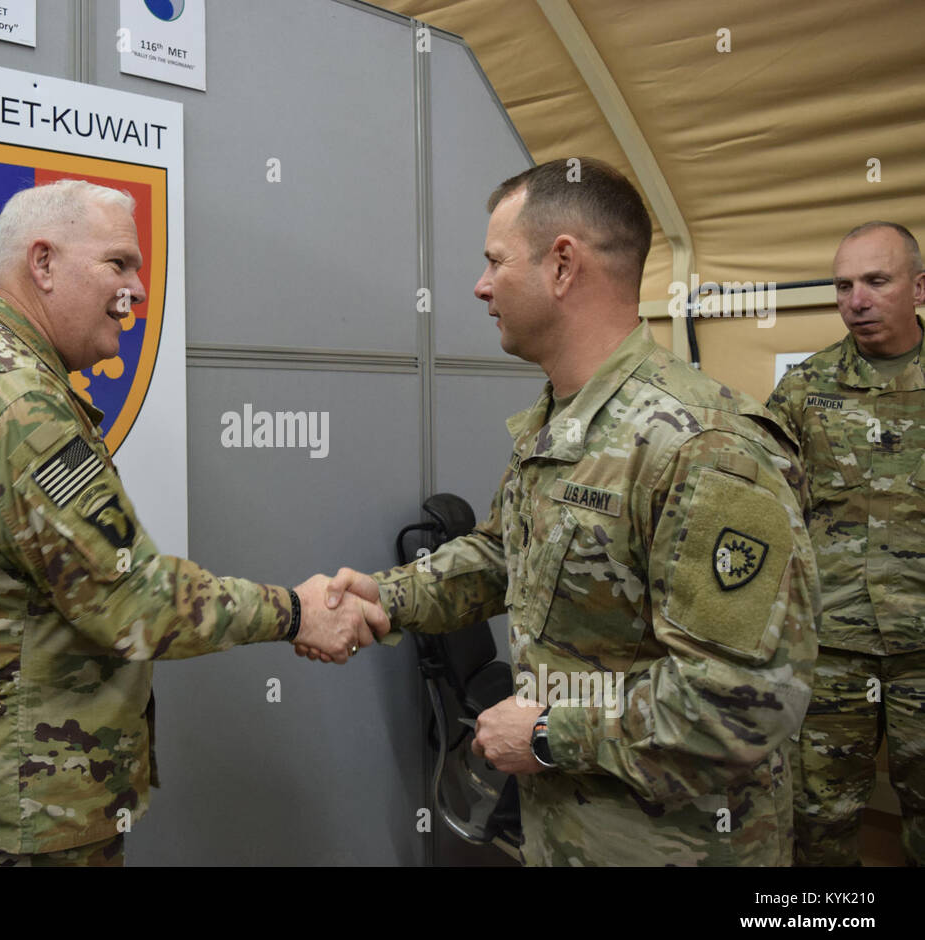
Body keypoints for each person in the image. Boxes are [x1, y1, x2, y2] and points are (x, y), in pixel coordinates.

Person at [310, 158, 819, 865]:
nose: (481, 286)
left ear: (562, 265)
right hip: (568, 836)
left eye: (494, 262)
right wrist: (386, 599)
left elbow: (742, 704)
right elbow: (504, 553)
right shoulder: (567, 420)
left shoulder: (703, 447)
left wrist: (551, 733)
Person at [0, 179, 387, 867]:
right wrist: (297, 612)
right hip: (18, 810)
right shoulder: (16, 403)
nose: (138, 290)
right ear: (43, 264)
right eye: (119, 264)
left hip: (10, 793)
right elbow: (133, 600)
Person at [766, 221, 925, 866]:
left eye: (875, 281)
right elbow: (763, 509)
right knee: (819, 821)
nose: (856, 299)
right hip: (832, 650)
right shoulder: (804, 390)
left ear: (919, 288)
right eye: (843, 285)